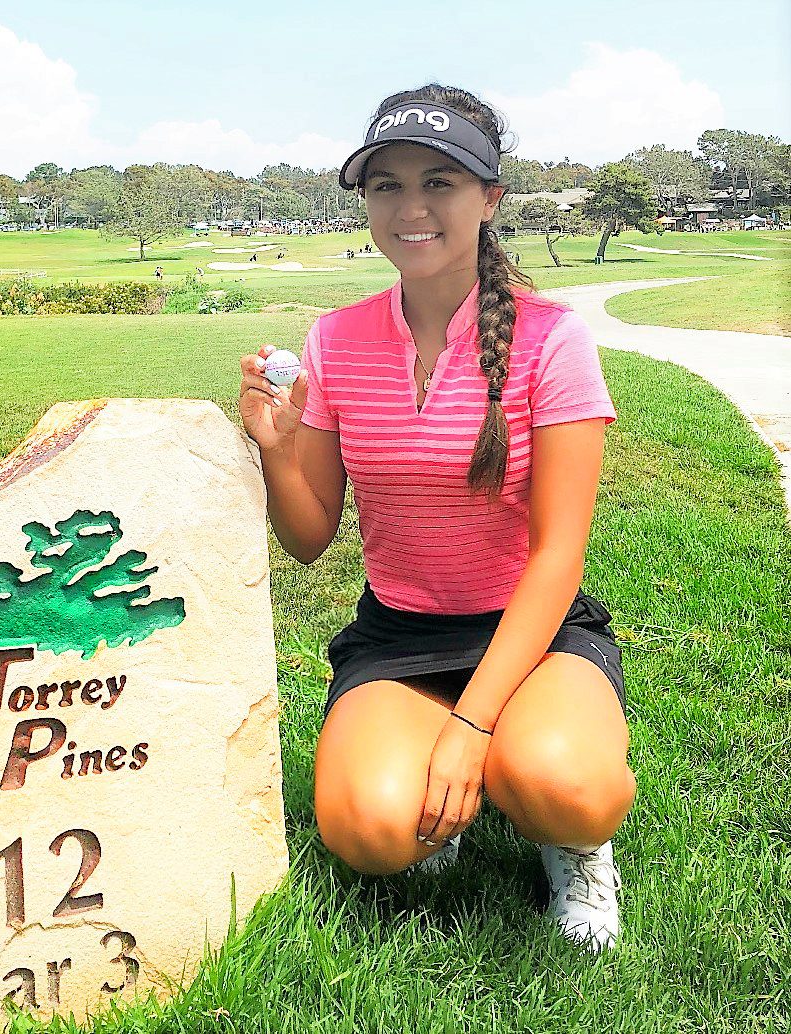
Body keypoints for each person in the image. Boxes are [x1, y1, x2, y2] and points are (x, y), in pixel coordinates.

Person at [238, 84, 634, 954]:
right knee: (368, 831)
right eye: (385, 185)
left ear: (489, 200)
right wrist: (274, 445)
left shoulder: (550, 338)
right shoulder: (335, 340)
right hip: (399, 636)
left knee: (566, 786)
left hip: (531, 633)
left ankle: (571, 845)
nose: (410, 208)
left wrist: (470, 725)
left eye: (440, 182)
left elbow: (558, 555)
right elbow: (309, 540)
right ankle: (440, 790)